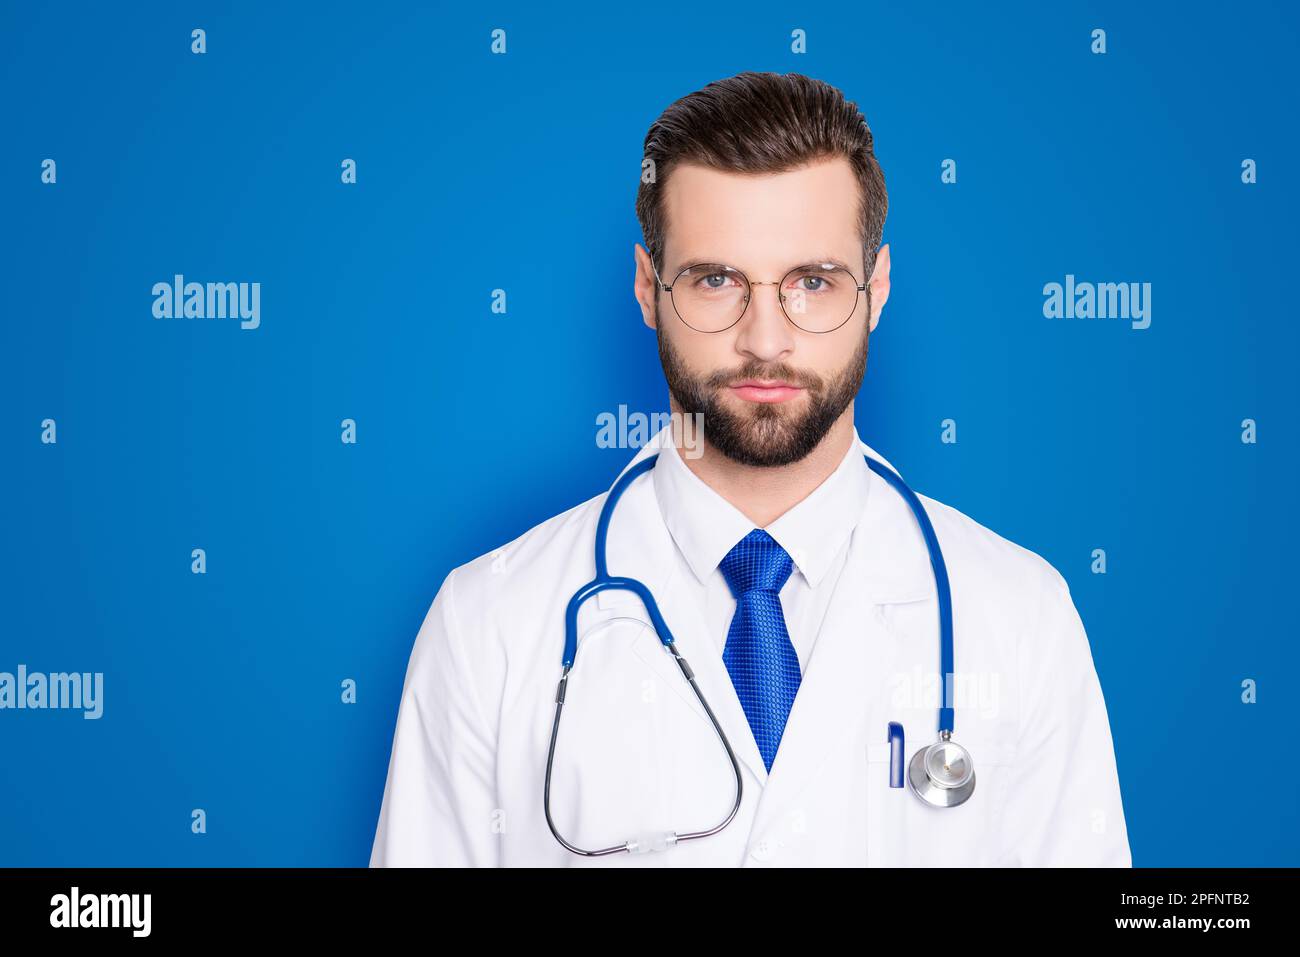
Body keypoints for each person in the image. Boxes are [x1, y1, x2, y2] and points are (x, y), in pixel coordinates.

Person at [369, 71, 1131, 867]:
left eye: (812, 282)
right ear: (646, 289)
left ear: (876, 290)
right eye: (715, 280)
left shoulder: (1021, 618)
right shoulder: (488, 625)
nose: (764, 340)